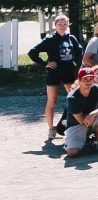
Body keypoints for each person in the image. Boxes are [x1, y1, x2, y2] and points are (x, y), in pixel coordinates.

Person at [30, 14, 83, 144]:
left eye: (65, 24)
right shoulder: (49, 39)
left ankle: (71, 125)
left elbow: (80, 51)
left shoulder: (71, 38)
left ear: (68, 25)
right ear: (55, 25)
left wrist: (75, 62)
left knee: (74, 98)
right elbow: (32, 52)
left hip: (68, 73)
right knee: (51, 102)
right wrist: (44, 64)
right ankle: (51, 129)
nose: (62, 26)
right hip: (53, 73)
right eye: (60, 24)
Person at [61, 67, 98, 157]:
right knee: (72, 153)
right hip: (77, 125)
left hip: (91, 118)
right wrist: (91, 116)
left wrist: (93, 113)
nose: (88, 81)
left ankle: (96, 141)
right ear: (79, 80)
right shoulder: (72, 97)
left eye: (91, 78)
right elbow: (81, 120)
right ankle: (70, 140)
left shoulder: (96, 88)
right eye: (85, 79)